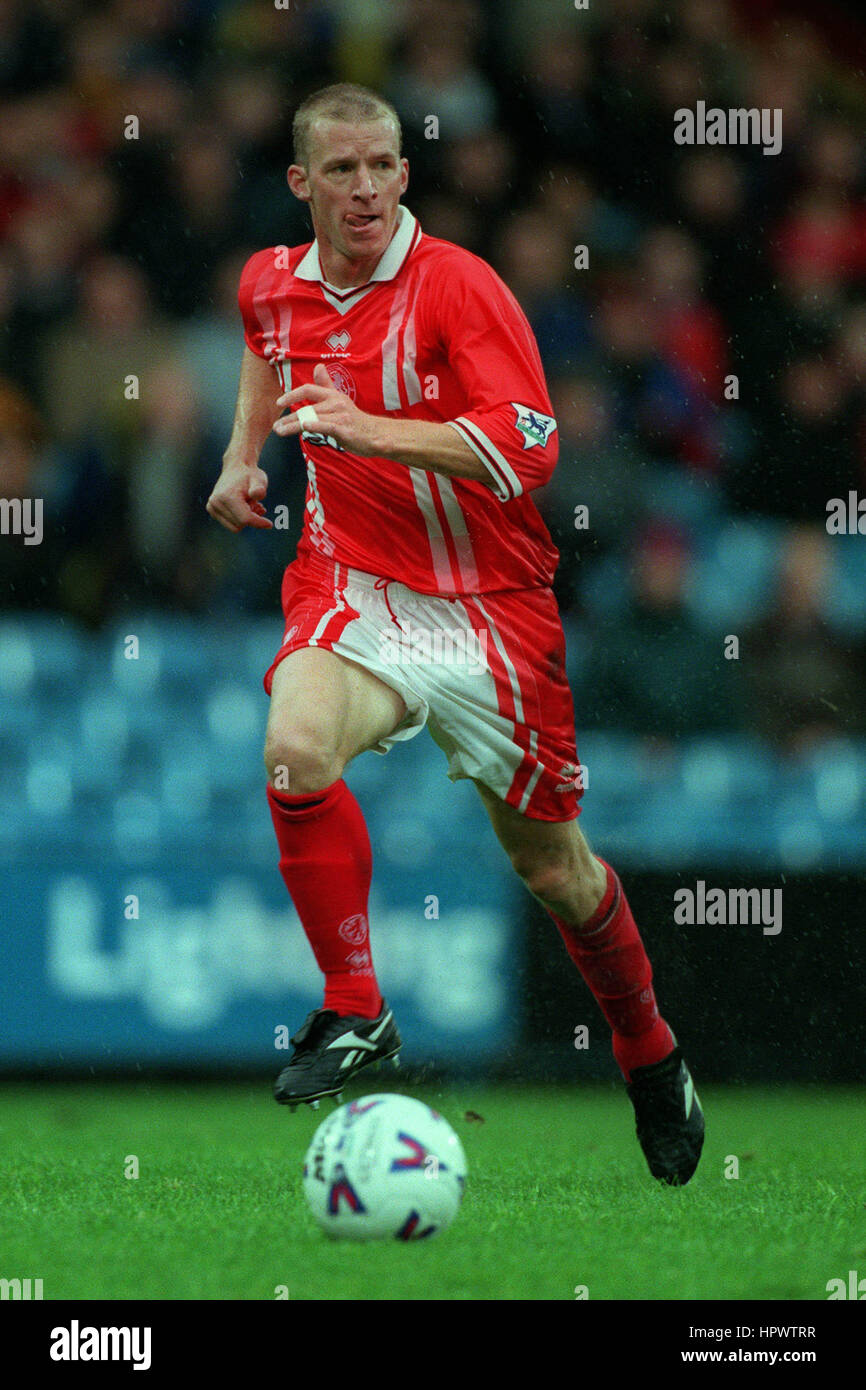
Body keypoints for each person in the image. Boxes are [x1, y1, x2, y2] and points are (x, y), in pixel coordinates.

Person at [206, 84, 704, 1185]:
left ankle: (646, 1049)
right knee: (293, 747)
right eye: (340, 170)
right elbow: (265, 341)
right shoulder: (269, 279)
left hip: (490, 615)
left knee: (555, 872)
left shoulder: (457, 285)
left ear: (403, 171)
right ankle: (355, 1009)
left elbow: (527, 450)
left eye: (381, 164)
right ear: (302, 184)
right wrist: (243, 455)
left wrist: (362, 428)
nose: (366, 187)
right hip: (351, 583)